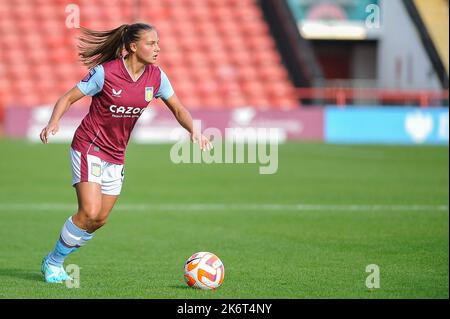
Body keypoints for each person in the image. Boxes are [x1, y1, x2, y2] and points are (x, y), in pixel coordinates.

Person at [39, 23, 212, 283]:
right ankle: (53, 262)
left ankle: (57, 257)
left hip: (116, 154)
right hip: (90, 146)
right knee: (89, 211)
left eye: (157, 43)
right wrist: (54, 122)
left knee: (99, 219)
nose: (157, 48)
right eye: (151, 43)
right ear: (133, 46)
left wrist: (194, 131)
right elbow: (67, 98)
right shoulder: (105, 73)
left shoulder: (156, 77)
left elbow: (178, 108)